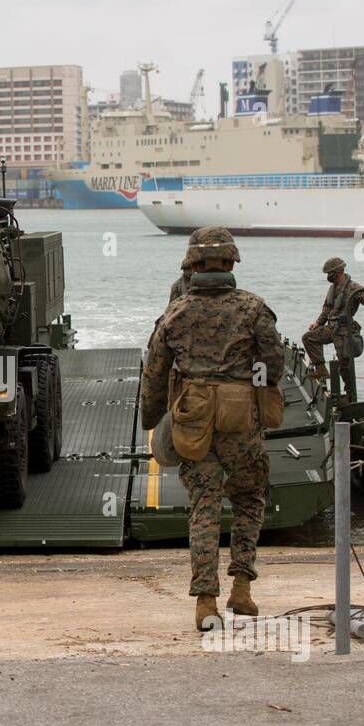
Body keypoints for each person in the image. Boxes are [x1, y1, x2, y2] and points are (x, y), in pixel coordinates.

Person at [141, 226, 284, 631]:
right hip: (242, 422)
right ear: (232, 262)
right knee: (249, 499)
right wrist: (245, 383)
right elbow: (273, 366)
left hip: (194, 422)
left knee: (203, 507)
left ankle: (206, 601)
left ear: (192, 265)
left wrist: (152, 420)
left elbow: (154, 374)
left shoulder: (175, 312)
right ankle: (242, 586)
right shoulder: (254, 308)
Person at [302, 258, 364, 397]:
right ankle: (321, 368)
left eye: (330, 273)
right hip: (332, 327)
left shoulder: (353, 287)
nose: (328, 277)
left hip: (344, 330)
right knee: (308, 338)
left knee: (345, 367)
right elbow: (327, 309)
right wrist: (318, 323)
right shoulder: (333, 288)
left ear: (338, 272)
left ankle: (350, 395)